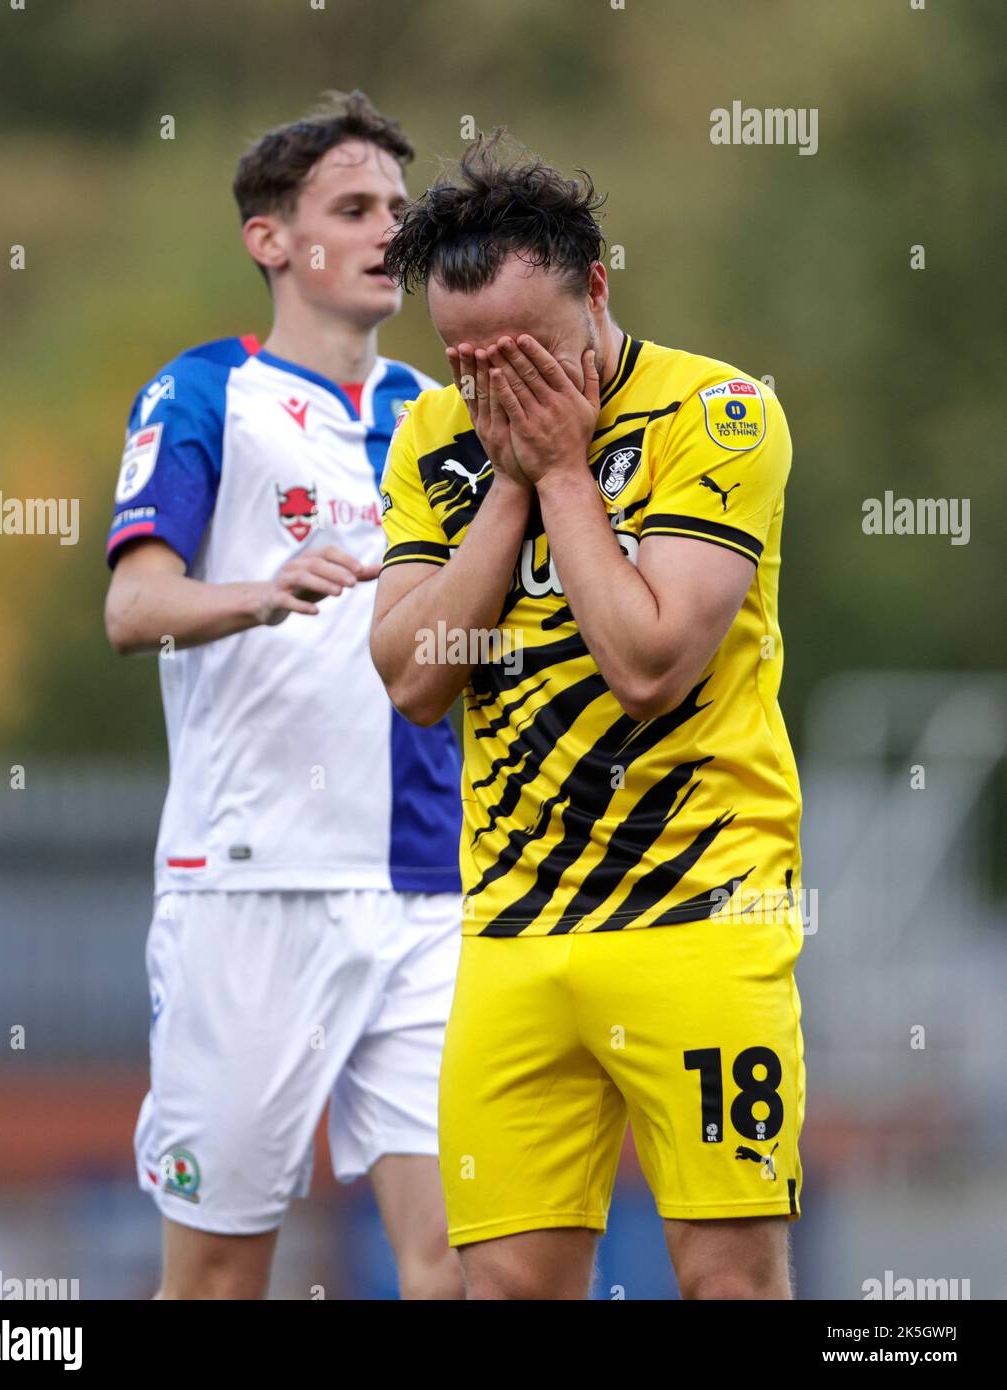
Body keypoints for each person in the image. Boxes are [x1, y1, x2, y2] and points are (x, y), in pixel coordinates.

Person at [370, 134, 805, 1300]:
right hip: (513, 933)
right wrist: (509, 477)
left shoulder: (714, 415)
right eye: (464, 362)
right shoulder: (433, 441)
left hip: (696, 915)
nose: (490, 386)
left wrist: (562, 471)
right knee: (503, 1285)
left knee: (727, 1279)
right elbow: (410, 675)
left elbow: (651, 662)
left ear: (596, 289)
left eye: (523, 353)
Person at [103, 90, 465, 1301]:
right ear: (272, 240)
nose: (387, 235)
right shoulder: (205, 393)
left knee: (460, 1263)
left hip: (426, 890)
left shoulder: (440, 415)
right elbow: (133, 608)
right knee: (215, 1279)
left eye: (398, 213)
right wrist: (263, 591)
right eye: (353, 209)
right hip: (252, 885)